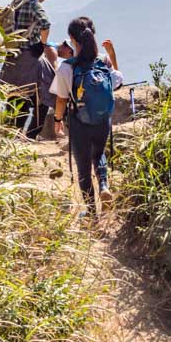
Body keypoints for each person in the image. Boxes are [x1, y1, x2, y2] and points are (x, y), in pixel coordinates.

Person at [51, 17, 122, 213]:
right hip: (102, 120)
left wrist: (57, 120)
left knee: (83, 167)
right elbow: (117, 80)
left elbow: (61, 99)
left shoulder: (68, 66)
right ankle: (104, 186)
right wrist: (112, 56)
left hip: (78, 122)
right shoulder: (103, 61)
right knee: (98, 154)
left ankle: (91, 213)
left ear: (72, 39)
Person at [0, 0, 55, 138]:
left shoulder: (17, 0)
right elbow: (45, 23)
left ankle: (10, 136)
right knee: (46, 93)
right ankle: (30, 136)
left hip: (11, 57)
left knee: (14, 98)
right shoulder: (33, 4)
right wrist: (42, 45)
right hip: (28, 57)